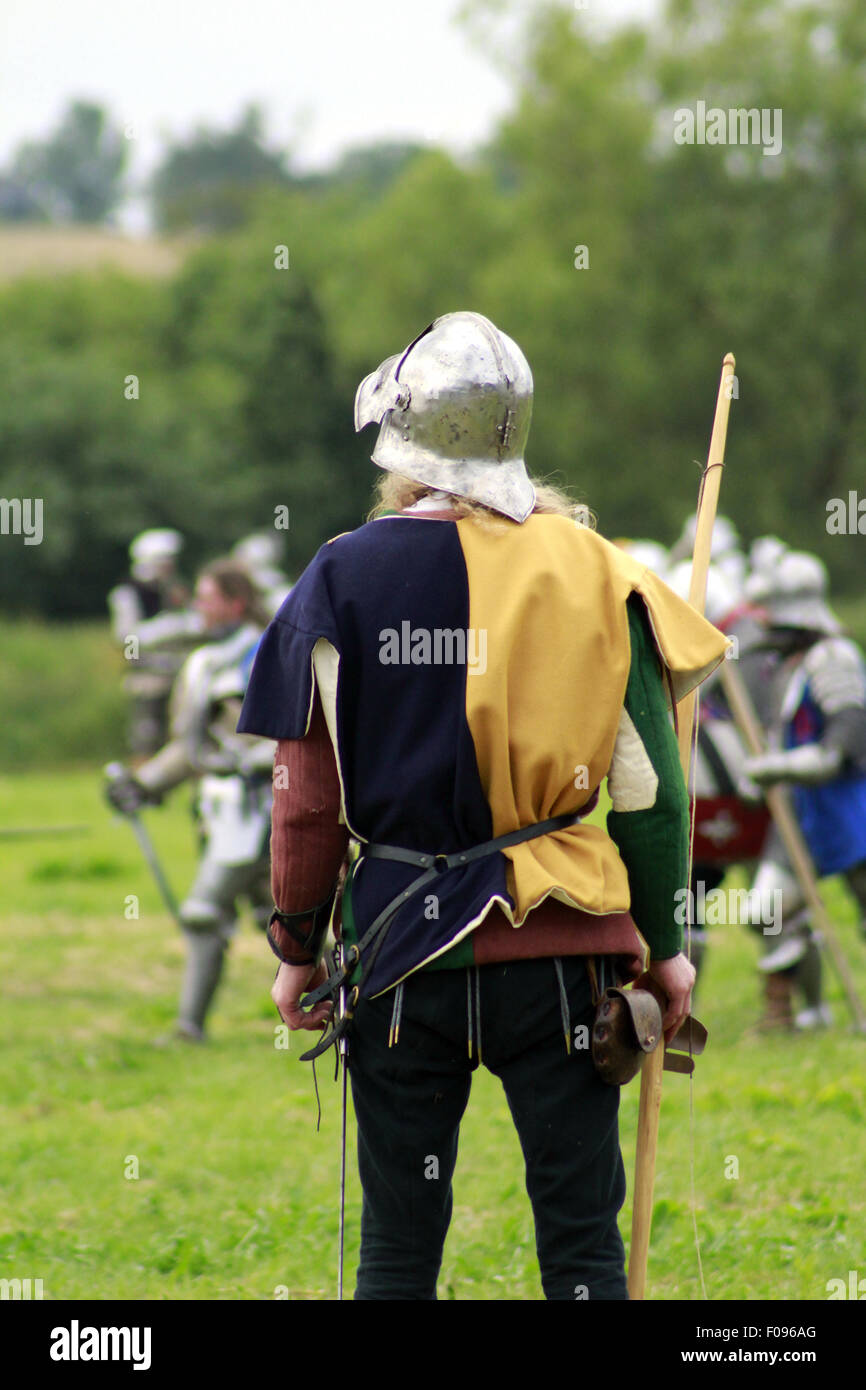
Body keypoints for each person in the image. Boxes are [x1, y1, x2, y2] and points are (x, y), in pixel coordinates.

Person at [238, 311, 729, 1300]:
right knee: (583, 1249)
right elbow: (647, 794)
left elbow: (304, 807)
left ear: (400, 443)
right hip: (562, 955)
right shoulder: (597, 569)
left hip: (395, 958)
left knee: (398, 1249)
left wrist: (296, 948)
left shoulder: (340, 571)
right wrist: (667, 945)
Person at [107, 560, 275, 1041]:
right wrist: (146, 783)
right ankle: (355, 1012)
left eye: (207, 597)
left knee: (206, 914)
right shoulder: (202, 662)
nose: (197, 606)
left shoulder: (266, 653)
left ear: (235, 602)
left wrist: (256, 763)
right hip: (219, 812)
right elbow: (191, 747)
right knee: (281, 921)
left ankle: (188, 1028)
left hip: (262, 809)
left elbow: (296, 736)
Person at [737, 551, 866, 1028]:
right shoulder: (786, 666)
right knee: (765, 910)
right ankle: (805, 1011)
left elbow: (839, 747)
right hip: (800, 810)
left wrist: (775, 767)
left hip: (849, 805)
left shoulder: (834, 658)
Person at [108, 528, 202, 757]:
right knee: (146, 738)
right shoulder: (128, 593)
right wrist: (167, 627)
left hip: (180, 673)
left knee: (185, 735)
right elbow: (126, 638)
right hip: (147, 676)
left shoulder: (174, 590)